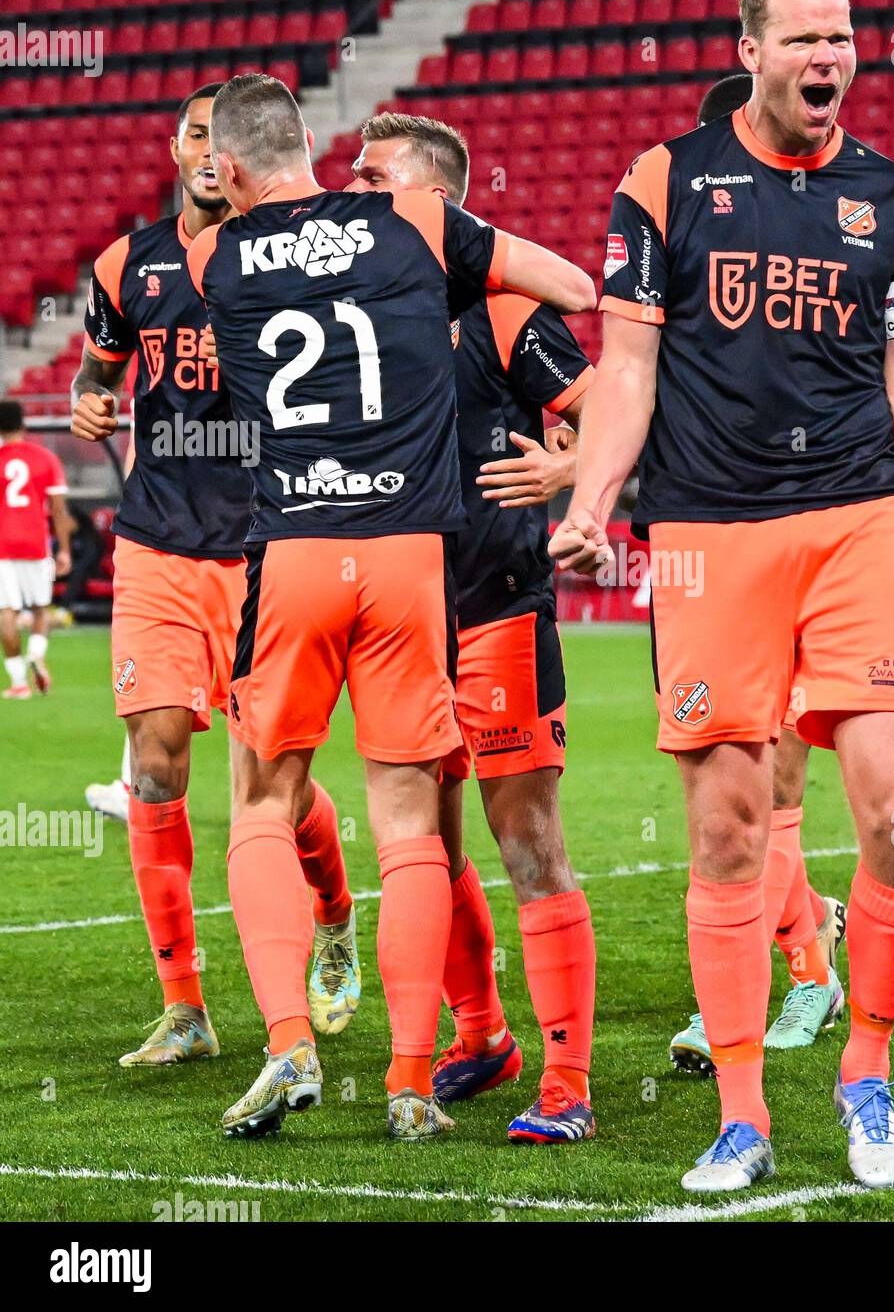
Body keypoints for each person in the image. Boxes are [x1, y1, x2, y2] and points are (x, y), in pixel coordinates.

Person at [551, 0, 894, 1192]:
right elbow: (624, 365)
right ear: (753, 49)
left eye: (845, 39)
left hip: (862, 522)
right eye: (807, 39)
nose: (830, 58)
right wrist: (593, 502)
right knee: (727, 826)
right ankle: (740, 1116)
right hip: (710, 535)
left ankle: (865, 1073)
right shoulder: (665, 182)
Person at [188, 73, 594, 1139]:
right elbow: (574, 285)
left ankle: (289, 1044)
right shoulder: (411, 220)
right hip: (413, 555)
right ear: (315, 146)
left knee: (263, 802)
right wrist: (449, 248)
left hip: (295, 548)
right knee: (413, 825)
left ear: (229, 170)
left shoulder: (210, 254)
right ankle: (411, 1080)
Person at [668, 76, 894, 1075]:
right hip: (721, 537)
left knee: (793, 781)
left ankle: (810, 976)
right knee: (742, 790)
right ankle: (799, 960)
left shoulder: (855, 216)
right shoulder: (688, 233)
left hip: (843, 533)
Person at [70, 84, 360, 1067]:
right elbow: (99, 373)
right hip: (155, 544)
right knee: (154, 763)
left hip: (265, 549)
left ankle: (330, 911)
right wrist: (91, 403)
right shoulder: (125, 264)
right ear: (175, 145)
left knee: (267, 786)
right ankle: (186, 1008)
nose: (207, 149)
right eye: (194, 131)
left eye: (221, 135)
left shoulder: (285, 257)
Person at [344, 112, 598, 1144]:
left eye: (376, 174)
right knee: (426, 845)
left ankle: (568, 1081)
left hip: (497, 606)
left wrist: (571, 466)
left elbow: (619, 405)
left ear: (437, 198)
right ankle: (483, 1034)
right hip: (400, 620)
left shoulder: (501, 307)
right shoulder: (354, 308)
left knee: (525, 838)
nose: (353, 186)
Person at [0, 399, 72, 699]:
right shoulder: (45, 458)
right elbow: (58, 510)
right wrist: (64, 549)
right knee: (41, 606)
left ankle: (18, 683)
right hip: (36, 543)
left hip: (2, 545)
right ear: (24, 424)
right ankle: (36, 652)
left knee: (6, 611)